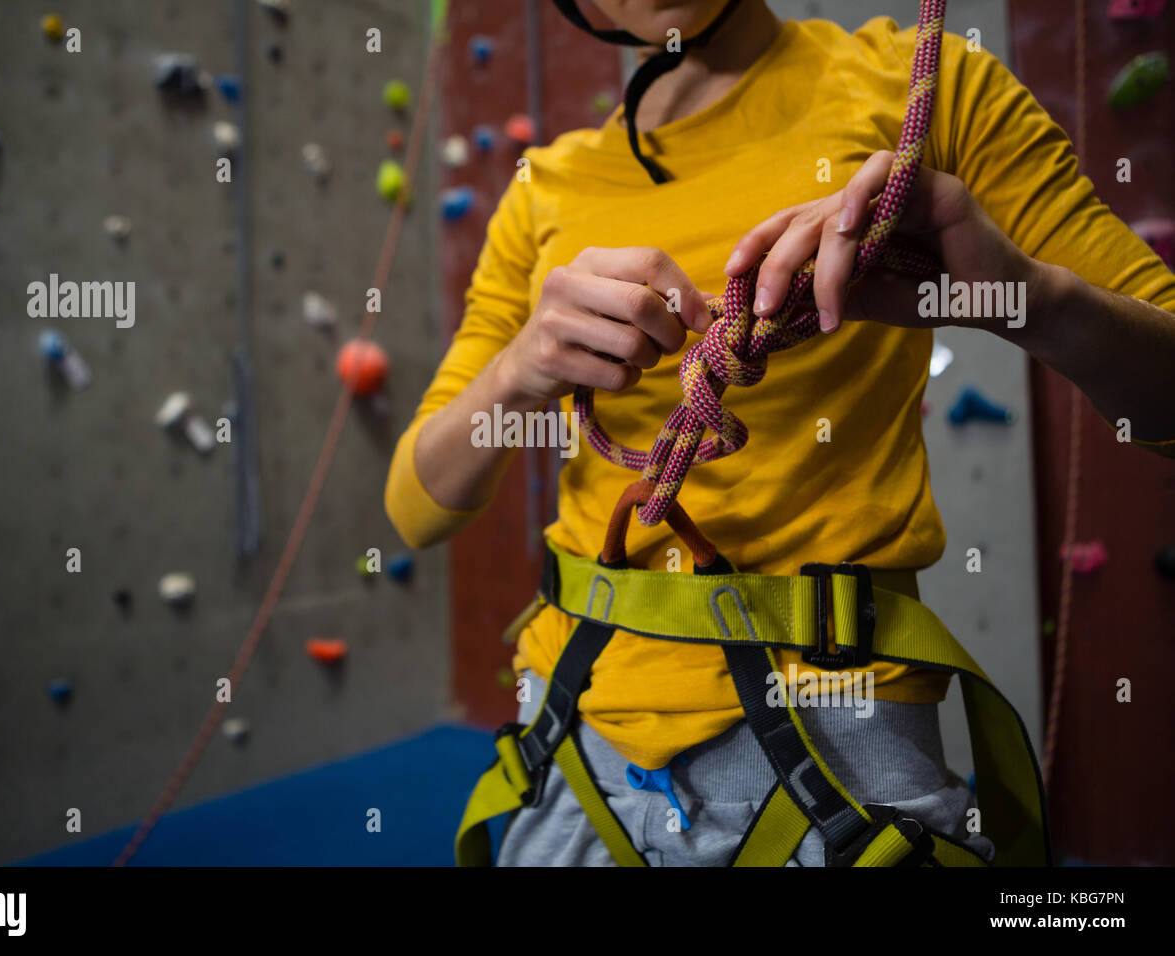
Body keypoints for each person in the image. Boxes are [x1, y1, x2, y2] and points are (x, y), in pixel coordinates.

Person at [385, 0, 1175, 866]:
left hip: (837, 752)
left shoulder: (925, 87)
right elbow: (418, 506)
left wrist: (1025, 299)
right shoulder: (547, 185)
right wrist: (520, 369)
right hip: (572, 744)